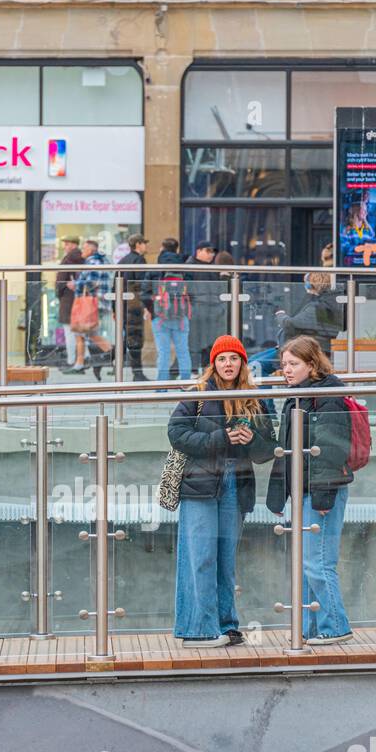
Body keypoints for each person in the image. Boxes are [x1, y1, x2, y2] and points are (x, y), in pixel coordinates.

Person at [168, 334, 276, 647]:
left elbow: (267, 449)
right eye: (222, 359)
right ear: (213, 364)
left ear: (243, 362)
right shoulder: (199, 393)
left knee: (225, 560)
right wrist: (223, 439)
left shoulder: (255, 397)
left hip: (237, 483)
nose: (228, 364)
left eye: (233, 358)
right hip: (200, 484)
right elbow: (175, 433)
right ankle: (198, 630)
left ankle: (226, 625)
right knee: (200, 557)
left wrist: (251, 440)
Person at [266, 335, 353, 645]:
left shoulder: (327, 396)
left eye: (294, 364)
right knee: (306, 563)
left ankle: (336, 626)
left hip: (322, 490)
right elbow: (286, 449)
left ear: (312, 364)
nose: (286, 370)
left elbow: (331, 449)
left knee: (318, 562)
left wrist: (324, 494)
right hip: (304, 488)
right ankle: (310, 627)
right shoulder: (296, 396)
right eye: (284, 364)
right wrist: (278, 493)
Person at [65, 238, 113, 378]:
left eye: (85, 248)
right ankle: (82, 363)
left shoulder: (93, 262)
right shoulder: (97, 261)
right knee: (84, 332)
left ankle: (112, 355)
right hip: (95, 302)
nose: (82, 251)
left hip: (92, 302)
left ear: (92, 250)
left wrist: (76, 284)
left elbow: (92, 282)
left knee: (84, 332)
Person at [147, 240, 192, 381]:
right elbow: (194, 291)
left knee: (163, 352)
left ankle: (162, 388)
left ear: (162, 248)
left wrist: (151, 309)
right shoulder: (184, 269)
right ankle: (186, 385)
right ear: (177, 249)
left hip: (160, 316)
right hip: (181, 317)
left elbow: (144, 291)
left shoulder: (157, 269)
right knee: (183, 352)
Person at [275, 272, 342, 356]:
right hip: (302, 348)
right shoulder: (328, 301)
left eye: (306, 283)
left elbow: (290, 325)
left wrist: (280, 315)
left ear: (310, 285)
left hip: (302, 351)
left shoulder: (320, 305)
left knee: (259, 361)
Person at [183, 239, 221, 370]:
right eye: (208, 251)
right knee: (195, 342)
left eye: (213, 252)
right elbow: (186, 290)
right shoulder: (190, 266)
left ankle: (207, 369)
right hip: (196, 310)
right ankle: (192, 370)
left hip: (212, 310)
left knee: (209, 342)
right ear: (198, 251)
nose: (211, 254)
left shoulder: (213, 267)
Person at [121, 234, 151, 381]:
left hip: (124, 306)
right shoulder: (139, 260)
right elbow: (142, 286)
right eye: (144, 243)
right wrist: (147, 306)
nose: (146, 246)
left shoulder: (123, 261)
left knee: (129, 337)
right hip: (135, 306)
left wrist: (116, 309)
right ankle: (137, 373)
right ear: (138, 244)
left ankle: (111, 357)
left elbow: (116, 286)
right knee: (135, 339)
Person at [56, 238, 84, 368]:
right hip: (76, 299)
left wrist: (59, 291)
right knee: (78, 332)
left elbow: (61, 280)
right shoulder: (80, 258)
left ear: (73, 245)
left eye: (67, 244)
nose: (65, 246)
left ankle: (71, 360)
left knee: (70, 332)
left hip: (68, 299)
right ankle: (85, 357)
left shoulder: (70, 259)